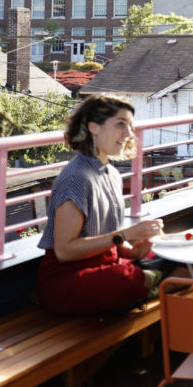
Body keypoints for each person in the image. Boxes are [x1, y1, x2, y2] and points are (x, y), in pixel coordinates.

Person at [35, 95, 164, 315]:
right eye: (120, 124)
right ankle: (158, 281)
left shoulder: (111, 173)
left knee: (176, 256)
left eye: (130, 126)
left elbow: (109, 240)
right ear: (93, 127)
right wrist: (126, 235)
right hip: (68, 278)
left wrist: (132, 252)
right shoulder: (76, 178)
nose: (129, 134)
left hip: (107, 265)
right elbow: (64, 251)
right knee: (123, 279)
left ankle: (154, 280)